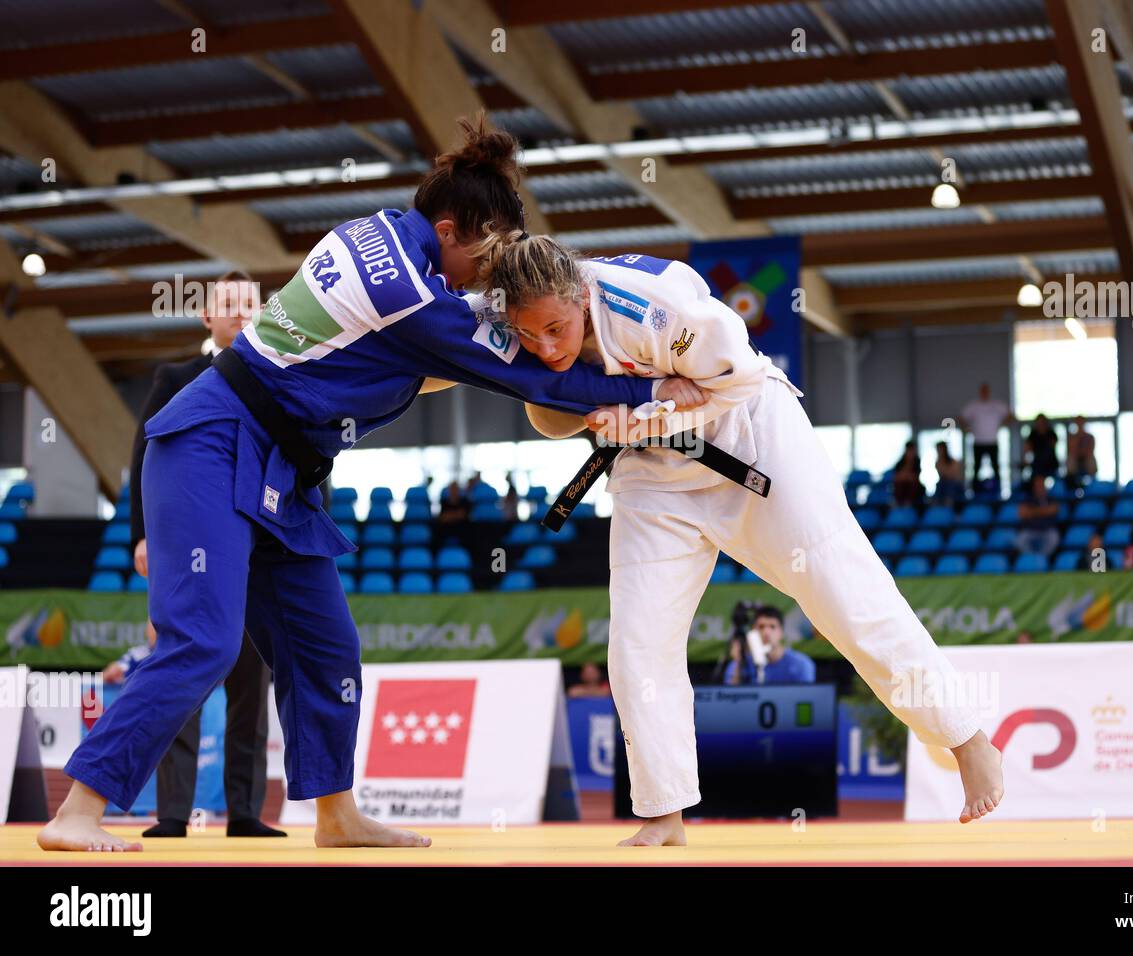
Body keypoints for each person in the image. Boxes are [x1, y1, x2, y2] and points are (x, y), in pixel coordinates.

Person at [38, 116, 705, 854]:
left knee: (326, 649)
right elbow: (513, 365)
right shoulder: (404, 291)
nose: (490, 273)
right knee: (204, 641)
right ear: (450, 229)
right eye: (489, 253)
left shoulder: (380, 237)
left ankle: (335, 814)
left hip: (281, 469)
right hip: (212, 441)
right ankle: (79, 810)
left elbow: (464, 339)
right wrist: (656, 395)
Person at [490, 237, 1004, 847]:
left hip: (751, 439)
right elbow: (546, 413)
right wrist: (621, 406)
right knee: (638, 645)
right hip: (654, 478)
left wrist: (641, 411)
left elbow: (739, 381)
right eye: (531, 336)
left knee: (845, 593)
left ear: (580, 294)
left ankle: (967, 739)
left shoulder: (652, 308)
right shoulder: (514, 324)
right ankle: (665, 811)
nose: (546, 348)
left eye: (556, 328)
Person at [127, 272, 282, 839]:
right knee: (187, 670)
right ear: (206, 318)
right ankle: (171, 813)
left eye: (250, 304)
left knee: (250, 685)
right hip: (191, 547)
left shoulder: (284, 376)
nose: (241, 313)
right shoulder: (177, 378)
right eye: (230, 305)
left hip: (257, 551)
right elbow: (144, 455)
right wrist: (143, 535)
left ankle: (244, 812)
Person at [724, 606, 815, 685]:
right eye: (761, 627)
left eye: (772, 626)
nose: (766, 633)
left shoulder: (802, 664)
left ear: (781, 632)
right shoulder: (740, 663)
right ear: (753, 632)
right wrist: (739, 662)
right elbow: (730, 698)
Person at [959, 382, 1013, 487]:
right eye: (983, 390)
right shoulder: (974, 405)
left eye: (986, 390)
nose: (984, 393)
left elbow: (1011, 415)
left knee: (996, 468)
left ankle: (999, 489)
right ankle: (974, 491)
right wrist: (967, 428)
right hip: (979, 442)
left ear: (989, 391)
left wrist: (1001, 425)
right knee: (976, 468)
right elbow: (961, 417)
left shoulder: (996, 404)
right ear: (980, 392)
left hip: (992, 441)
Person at [1015, 475, 1060, 557]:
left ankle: (1042, 559)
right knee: (1020, 541)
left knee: (1054, 538)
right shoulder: (1028, 499)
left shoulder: (1051, 498)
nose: (1040, 487)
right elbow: (1022, 513)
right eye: (1037, 485)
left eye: (1041, 485)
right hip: (1031, 530)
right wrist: (1044, 511)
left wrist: (1032, 512)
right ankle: (1031, 558)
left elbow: (1053, 510)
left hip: (1047, 530)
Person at [1022, 414, 1060, 482]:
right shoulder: (1033, 435)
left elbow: (1052, 448)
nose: (1040, 424)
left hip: (1050, 463)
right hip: (1037, 465)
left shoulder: (1051, 434)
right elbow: (1027, 448)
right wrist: (1025, 460)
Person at [1064, 416, 1097, 490]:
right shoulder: (1072, 437)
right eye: (1078, 422)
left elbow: (1090, 451)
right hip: (1076, 460)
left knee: (1090, 460)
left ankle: (1092, 484)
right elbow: (1072, 451)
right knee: (1071, 460)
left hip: (1086, 459)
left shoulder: (1090, 437)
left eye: (1081, 422)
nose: (1080, 424)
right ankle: (1071, 483)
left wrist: (1082, 452)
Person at [891, 440, 922, 507]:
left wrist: (905, 475)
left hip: (913, 489)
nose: (910, 453)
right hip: (903, 487)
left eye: (912, 450)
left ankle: (908, 503)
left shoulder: (917, 461)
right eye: (909, 450)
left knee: (913, 484)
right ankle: (899, 503)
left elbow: (915, 477)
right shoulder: (900, 462)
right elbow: (897, 477)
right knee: (899, 484)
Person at [933, 440, 965, 506]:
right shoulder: (937, 463)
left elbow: (955, 476)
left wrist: (947, 473)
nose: (939, 452)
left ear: (944, 450)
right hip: (944, 485)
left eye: (940, 450)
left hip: (954, 485)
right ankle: (935, 507)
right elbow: (943, 475)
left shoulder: (953, 461)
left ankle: (948, 506)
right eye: (938, 450)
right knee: (940, 484)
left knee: (950, 484)